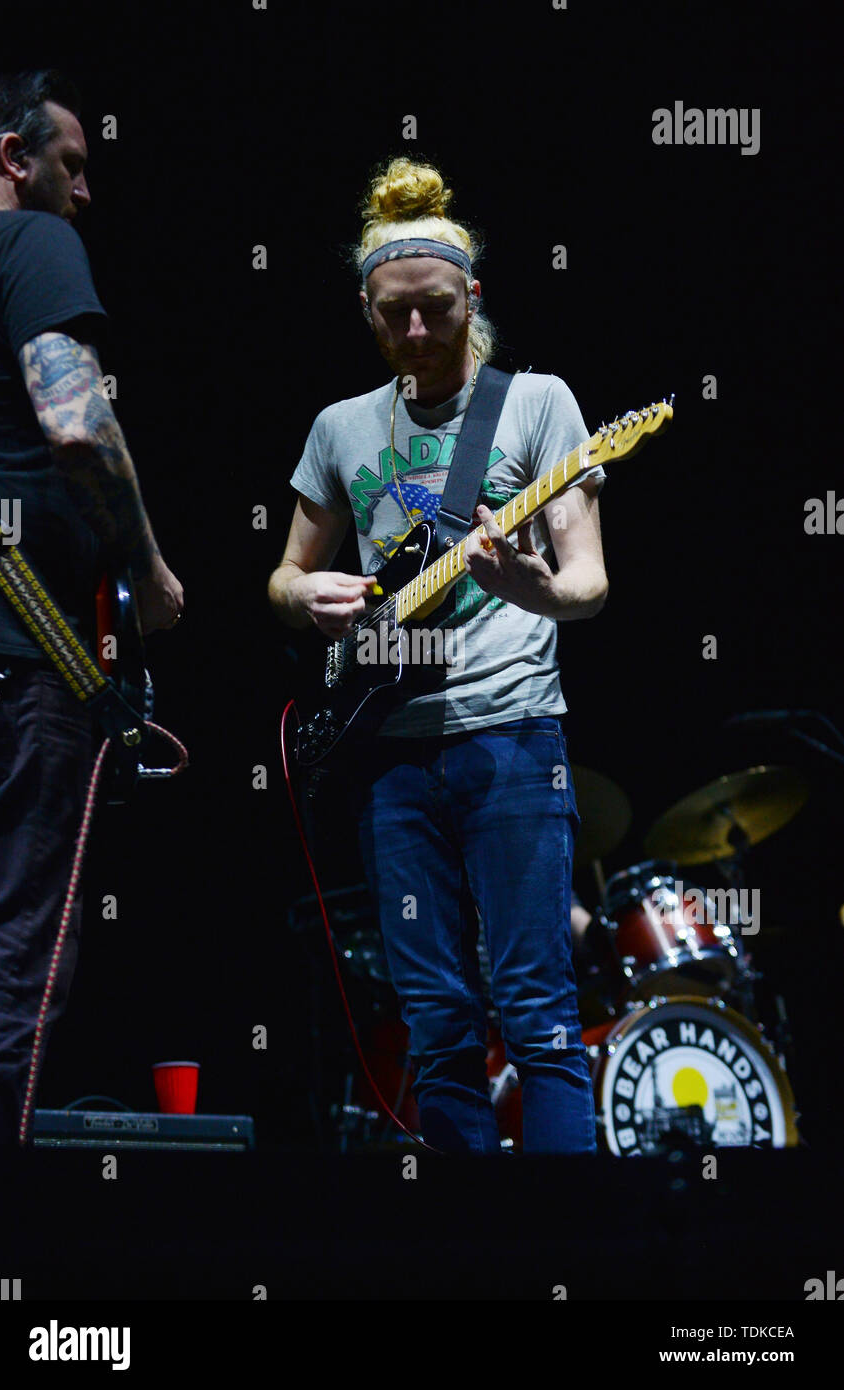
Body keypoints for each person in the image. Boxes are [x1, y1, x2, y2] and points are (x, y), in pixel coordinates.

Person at [270, 156, 608, 1154]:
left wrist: (523, 582)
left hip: (509, 737)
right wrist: (307, 596)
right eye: (390, 315)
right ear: (366, 311)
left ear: (473, 297)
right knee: (435, 1023)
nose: (414, 332)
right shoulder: (339, 427)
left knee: (540, 1013)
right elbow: (284, 580)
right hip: (387, 754)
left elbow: (587, 584)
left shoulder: (537, 403)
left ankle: (568, 1251)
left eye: (435, 308)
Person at [0, 70, 183, 1145]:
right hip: (11, 667)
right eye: (71, 164)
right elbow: (74, 422)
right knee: (10, 958)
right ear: (15, 158)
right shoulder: (31, 245)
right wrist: (145, 569)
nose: (84, 192)